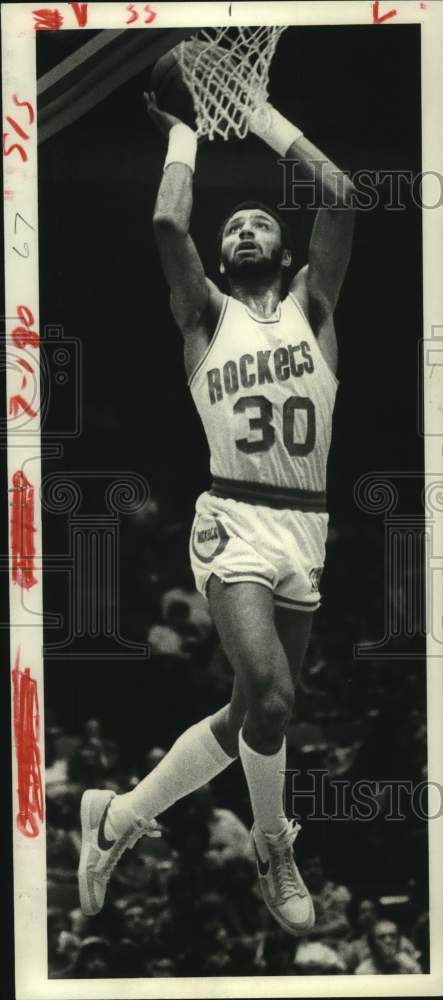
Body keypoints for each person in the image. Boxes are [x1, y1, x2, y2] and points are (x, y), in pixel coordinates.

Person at [78, 82, 355, 937]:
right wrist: (188, 137)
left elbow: (339, 195)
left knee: (249, 716)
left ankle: (116, 818)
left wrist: (260, 114)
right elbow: (169, 226)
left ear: (280, 247)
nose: (241, 229)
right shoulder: (204, 316)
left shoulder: (314, 304)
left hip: (304, 524)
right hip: (231, 515)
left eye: (258, 223)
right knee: (272, 699)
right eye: (230, 226)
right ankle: (275, 845)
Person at [354, 919, 422, 974]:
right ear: (372, 942)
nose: (388, 941)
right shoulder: (363, 971)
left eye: (393, 936)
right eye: (381, 937)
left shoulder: (411, 966)